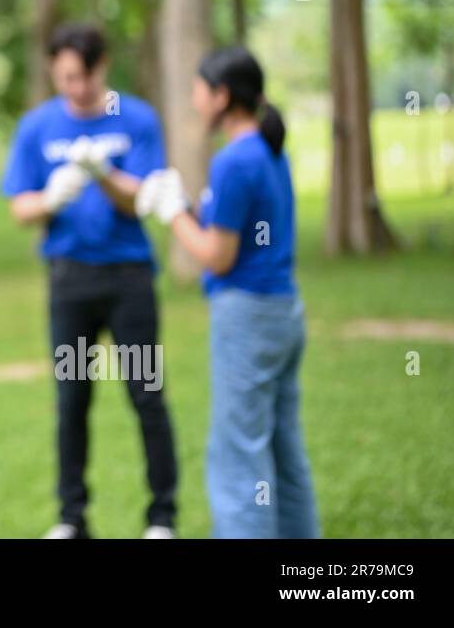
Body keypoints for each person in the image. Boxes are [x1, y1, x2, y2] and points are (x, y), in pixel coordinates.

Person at [1, 23, 178, 539]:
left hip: (129, 278)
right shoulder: (37, 127)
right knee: (72, 397)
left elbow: (145, 199)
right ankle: (71, 517)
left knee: (146, 393)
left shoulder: (138, 118)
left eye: (83, 76)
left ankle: (162, 516)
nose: (75, 88)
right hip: (69, 281)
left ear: (103, 69)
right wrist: (52, 199)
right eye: (65, 78)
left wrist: (103, 173)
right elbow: (21, 208)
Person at [137, 46, 319, 539]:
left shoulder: (235, 160)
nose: (194, 100)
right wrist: (189, 206)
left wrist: (172, 212)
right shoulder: (267, 149)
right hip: (283, 310)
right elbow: (234, 228)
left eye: (198, 90)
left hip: (248, 318)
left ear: (221, 96)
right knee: (283, 448)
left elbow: (218, 256)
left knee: (237, 457)